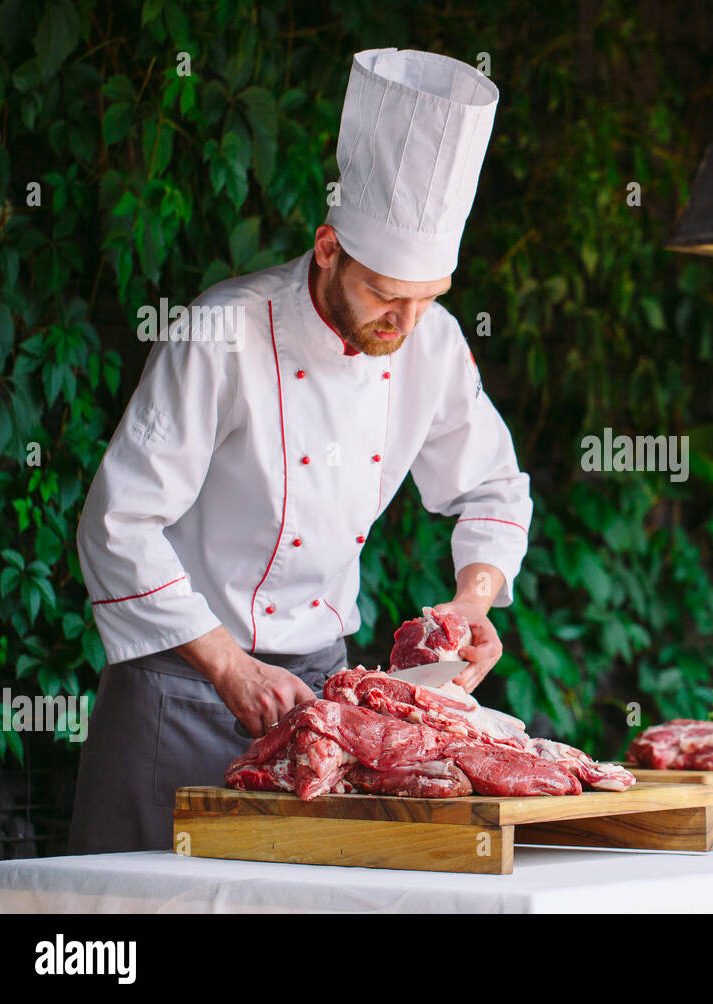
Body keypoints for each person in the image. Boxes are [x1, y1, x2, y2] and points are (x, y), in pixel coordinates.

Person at [68, 49, 530, 853]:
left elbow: (492, 486)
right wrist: (226, 666)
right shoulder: (222, 332)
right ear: (327, 249)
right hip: (179, 691)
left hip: (319, 705)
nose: (402, 325)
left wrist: (473, 599)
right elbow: (118, 523)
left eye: (425, 301)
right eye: (384, 294)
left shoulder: (433, 344)